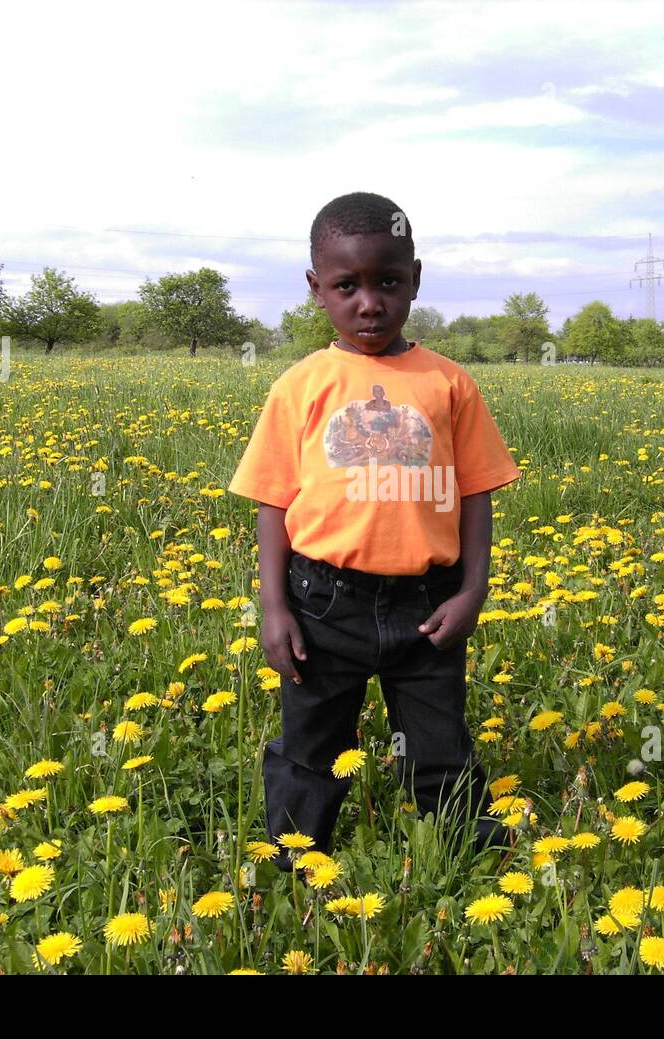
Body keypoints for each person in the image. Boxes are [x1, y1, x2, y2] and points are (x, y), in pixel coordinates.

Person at [227, 191, 522, 873]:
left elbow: (476, 491)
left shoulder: (450, 384)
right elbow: (272, 503)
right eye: (347, 285)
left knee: (440, 745)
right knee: (310, 746)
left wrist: (473, 588)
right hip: (323, 602)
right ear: (316, 289)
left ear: (414, 279)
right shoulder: (300, 386)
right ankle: (298, 866)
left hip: (429, 606)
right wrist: (274, 606)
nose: (369, 303)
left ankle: (463, 864)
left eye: (387, 282)